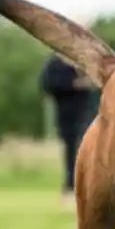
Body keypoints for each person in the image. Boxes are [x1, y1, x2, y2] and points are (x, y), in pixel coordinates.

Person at [40, 53, 98, 209]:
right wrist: (75, 84)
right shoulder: (56, 64)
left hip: (90, 115)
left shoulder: (86, 61)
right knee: (72, 152)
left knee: (90, 153)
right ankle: (71, 189)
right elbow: (47, 84)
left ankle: (91, 190)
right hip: (67, 116)